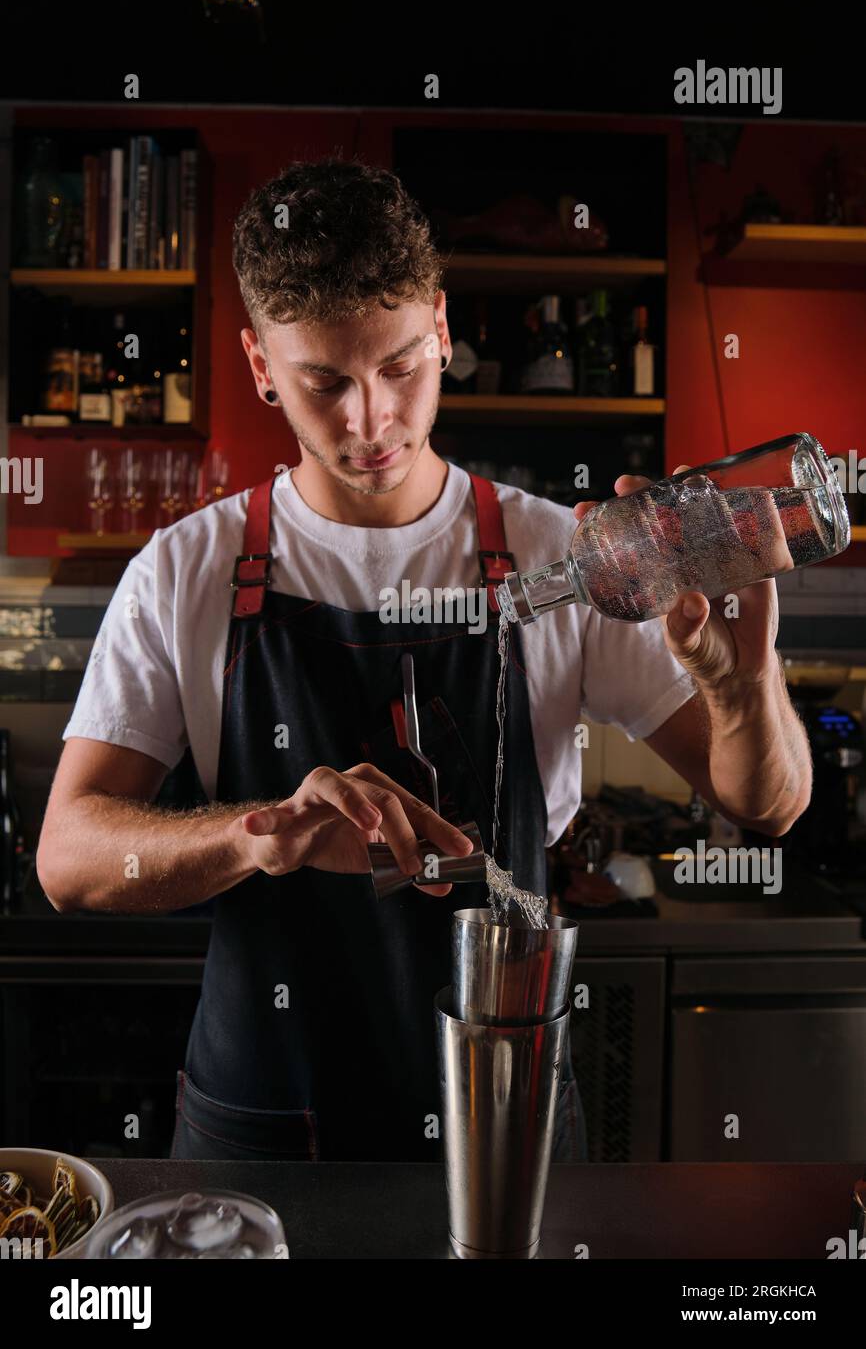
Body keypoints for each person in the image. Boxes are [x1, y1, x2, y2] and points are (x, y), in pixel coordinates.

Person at [36, 160, 811, 1163]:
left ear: (442, 329)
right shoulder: (186, 570)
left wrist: (740, 682)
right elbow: (67, 858)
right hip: (263, 1130)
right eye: (323, 381)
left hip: (501, 1119)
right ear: (260, 363)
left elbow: (769, 803)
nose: (369, 422)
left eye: (400, 366)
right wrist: (256, 836)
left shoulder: (562, 554)